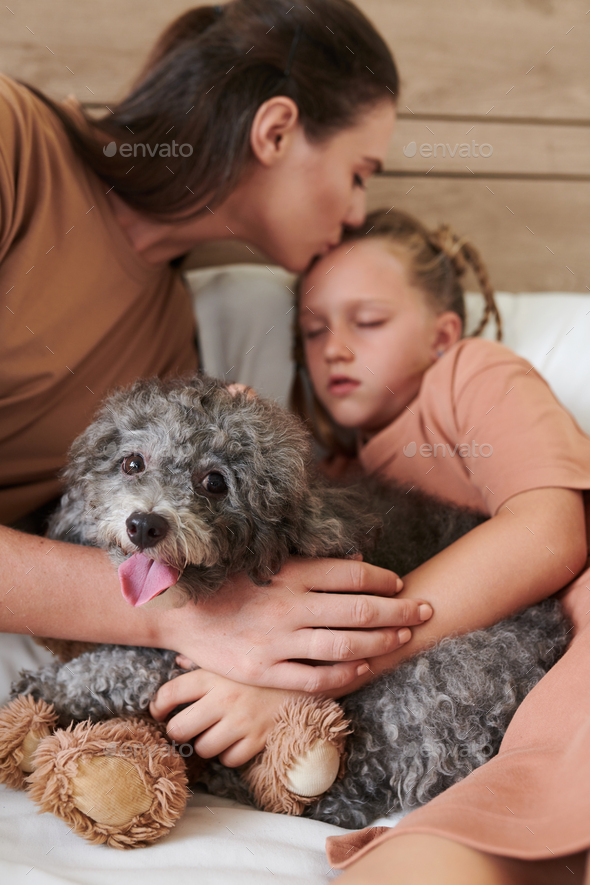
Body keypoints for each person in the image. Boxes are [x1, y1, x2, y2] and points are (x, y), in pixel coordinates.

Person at [0, 1, 433, 693]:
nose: (357, 213)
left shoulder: (166, 338)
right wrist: (177, 617)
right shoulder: (14, 143)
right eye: (359, 172)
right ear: (277, 130)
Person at [150, 206, 590, 884]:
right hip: (486, 696)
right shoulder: (332, 477)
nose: (335, 349)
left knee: (536, 795)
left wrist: (327, 664)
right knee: (474, 821)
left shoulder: (469, 375)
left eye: (370, 321)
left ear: (444, 334)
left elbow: (550, 529)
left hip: (573, 622)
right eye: (314, 331)